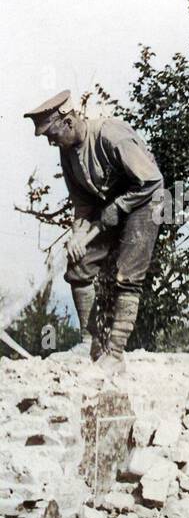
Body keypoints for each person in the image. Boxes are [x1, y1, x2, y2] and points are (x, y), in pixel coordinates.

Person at [23, 90, 165, 367]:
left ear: (69, 122)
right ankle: (90, 344)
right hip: (109, 206)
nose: (51, 142)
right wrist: (78, 236)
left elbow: (151, 181)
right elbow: (83, 204)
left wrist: (118, 208)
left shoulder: (111, 135)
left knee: (127, 274)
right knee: (78, 265)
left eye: (52, 134)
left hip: (147, 202)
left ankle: (115, 354)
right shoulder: (68, 154)